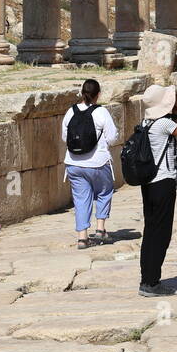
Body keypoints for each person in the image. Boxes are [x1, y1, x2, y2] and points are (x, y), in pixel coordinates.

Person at [137, 83, 177, 297]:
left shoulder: (146, 122)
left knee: (151, 231)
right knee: (161, 233)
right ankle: (152, 283)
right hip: (163, 182)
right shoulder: (163, 124)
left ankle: (147, 279)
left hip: (149, 183)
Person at [61, 78, 120, 248]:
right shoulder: (101, 112)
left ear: (82, 93)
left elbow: (65, 137)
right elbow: (112, 137)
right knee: (104, 192)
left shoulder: (70, 112)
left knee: (81, 199)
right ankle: (100, 229)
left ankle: (82, 237)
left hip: (73, 163)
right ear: (98, 94)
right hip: (98, 163)